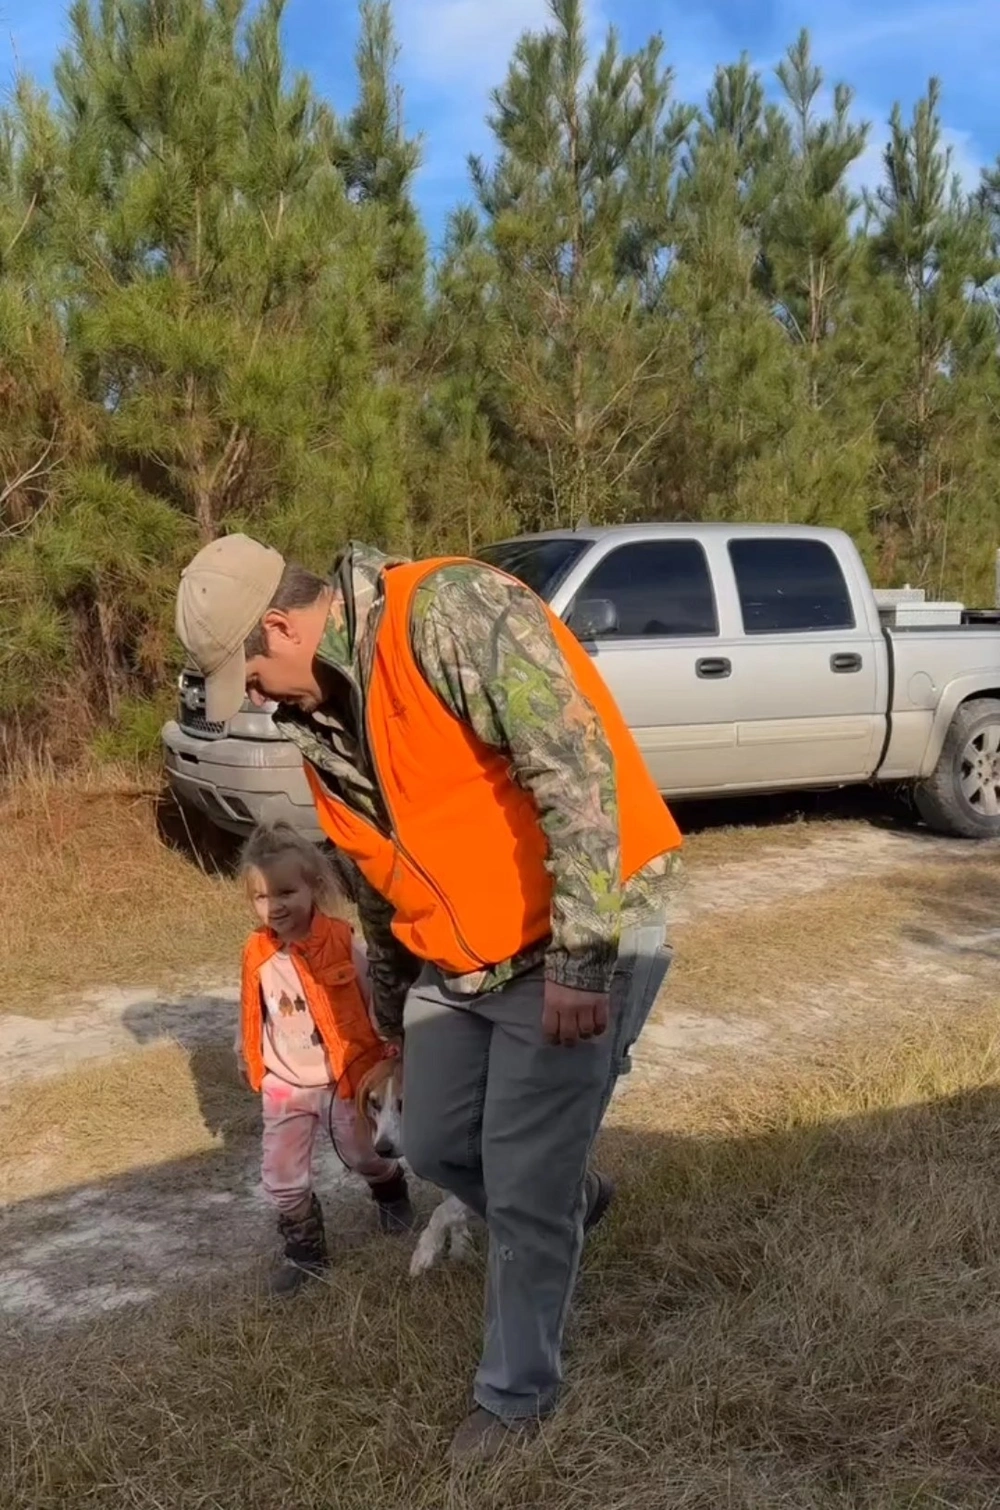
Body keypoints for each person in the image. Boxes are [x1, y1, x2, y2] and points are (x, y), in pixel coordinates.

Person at [176, 535, 682, 1462]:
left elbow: (577, 771)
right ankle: (576, 1198)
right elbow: (375, 881)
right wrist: (390, 1015)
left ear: (282, 626)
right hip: (463, 959)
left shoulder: (446, 612)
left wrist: (580, 957)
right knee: (439, 1141)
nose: (248, 699)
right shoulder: (316, 727)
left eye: (245, 673)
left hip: (581, 924)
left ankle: (515, 1396)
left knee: (524, 1177)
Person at [238, 820, 413, 1298]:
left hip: (343, 1076)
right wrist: (245, 1048)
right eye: (260, 898)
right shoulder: (256, 951)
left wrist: (391, 1049)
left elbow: (374, 1000)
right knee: (281, 1175)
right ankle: (305, 1253)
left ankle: (390, 1188)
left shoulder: (343, 942)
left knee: (363, 1154)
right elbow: (253, 1006)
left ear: (314, 887)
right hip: (285, 1082)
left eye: (286, 892)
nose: (274, 907)